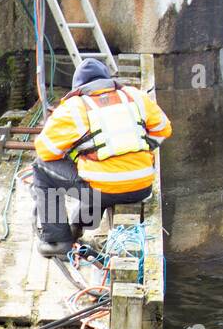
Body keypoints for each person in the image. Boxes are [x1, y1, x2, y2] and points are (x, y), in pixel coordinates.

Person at [32, 58, 172, 257]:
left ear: (78, 87)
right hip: (142, 187)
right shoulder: (134, 96)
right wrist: (135, 147)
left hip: (104, 190)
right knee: (100, 174)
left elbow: (45, 151)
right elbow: (163, 129)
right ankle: (84, 221)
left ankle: (57, 241)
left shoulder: (74, 107)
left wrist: (79, 153)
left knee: (41, 169)